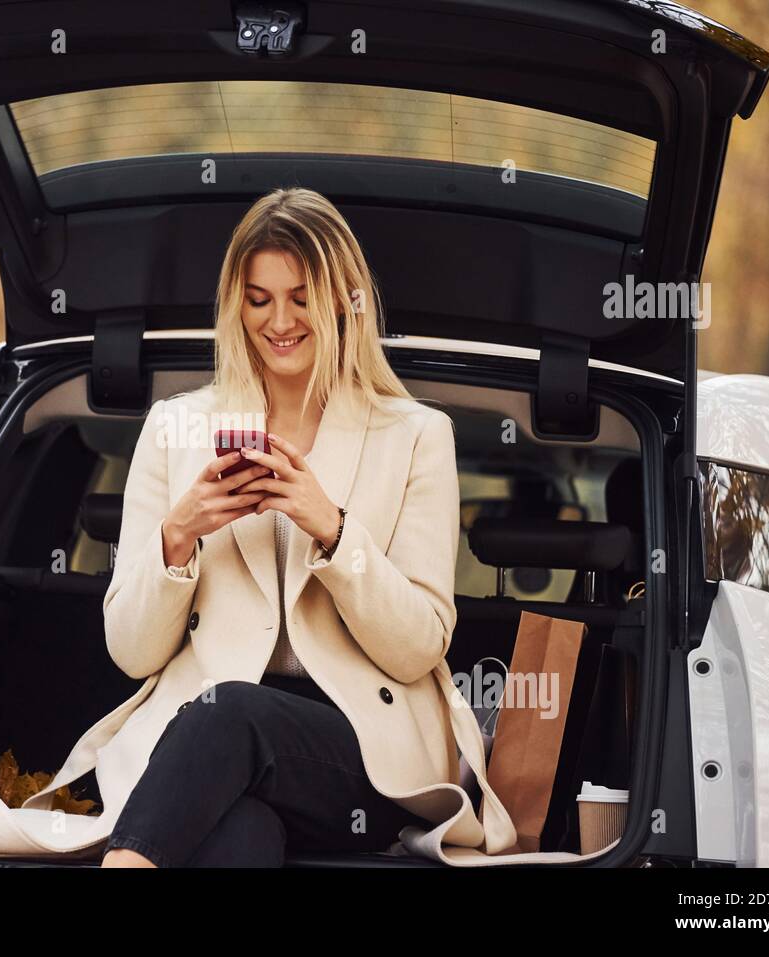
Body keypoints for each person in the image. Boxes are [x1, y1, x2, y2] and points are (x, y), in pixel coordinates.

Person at [97, 186, 487, 867]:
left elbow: (419, 644)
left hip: (358, 751)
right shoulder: (176, 428)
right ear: (235, 304)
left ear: (343, 298)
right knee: (239, 837)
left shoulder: (417, 435)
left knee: (231, 712)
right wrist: (178, 537)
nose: (279, 320)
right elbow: (132, 652)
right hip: (204, 755)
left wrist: (334, 532)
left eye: (300, 296)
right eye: (258, 298)